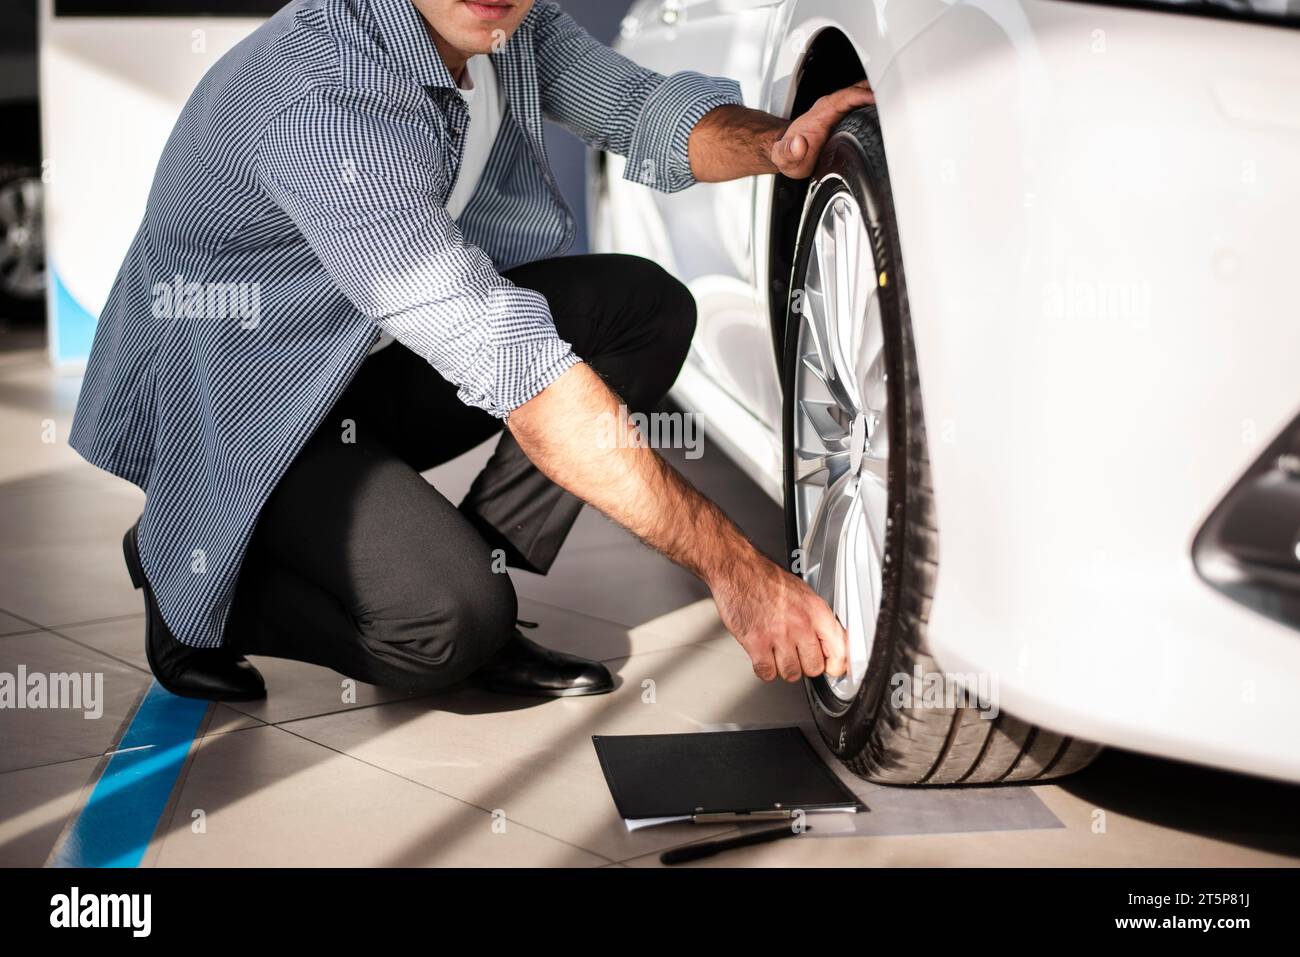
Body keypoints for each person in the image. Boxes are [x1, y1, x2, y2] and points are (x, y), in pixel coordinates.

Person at [73, 0, 871, 702]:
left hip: (352, 359)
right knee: (441, 627)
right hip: (243, 408)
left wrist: (778, 143)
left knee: (642, 308)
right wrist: (737, 569)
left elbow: (642, 111)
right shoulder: (323, 101)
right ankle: (185, 569)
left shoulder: (499, 22)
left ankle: (487, 590)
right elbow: (514, 365)